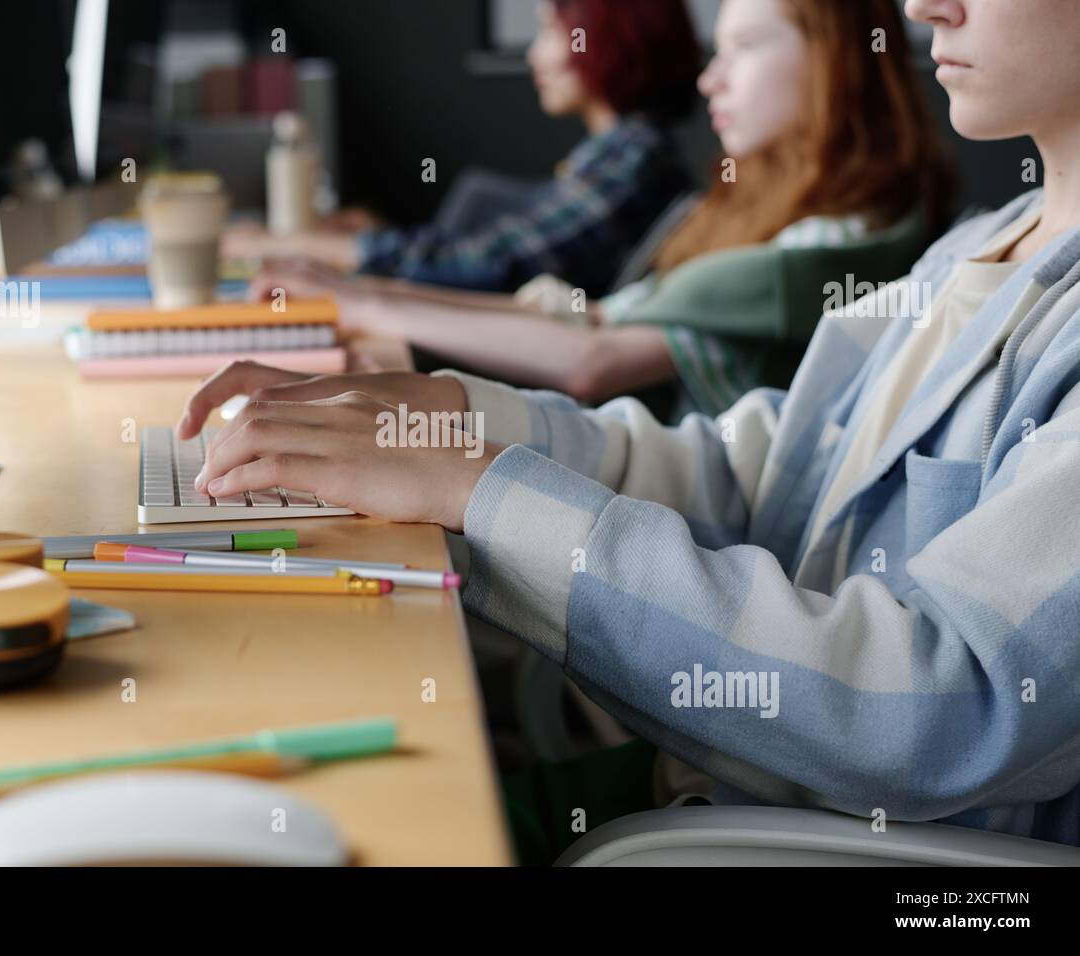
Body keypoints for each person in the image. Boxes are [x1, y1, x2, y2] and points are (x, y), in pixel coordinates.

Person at [177, 0, 1080, 860]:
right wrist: (449, 423)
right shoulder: (976, 247)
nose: (925, 8)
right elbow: (750, 479)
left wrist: (481, 490)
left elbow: (944, 709)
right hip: (717, 791)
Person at [254, 0, 953, 419]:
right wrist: (363, 293)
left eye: (743, 48)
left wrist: (368, 303)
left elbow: (589, 351)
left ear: (835, 60)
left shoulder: (828, 244)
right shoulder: (765, 203)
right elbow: (594, 316)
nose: (714, 77)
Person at [225, 0, 700, 298]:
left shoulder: (633, 162)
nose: (535, 54)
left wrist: (299, 242)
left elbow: (492, 264)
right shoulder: (618, 153)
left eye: (550, 31)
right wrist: (372, 237)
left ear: (609, 39)